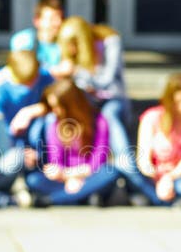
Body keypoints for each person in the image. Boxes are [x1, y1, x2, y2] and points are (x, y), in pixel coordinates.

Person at [54, 16, 134, 180]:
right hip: (87, 103)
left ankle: (130, 172)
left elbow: (107, 81)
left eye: (74, 44)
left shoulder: (110, 42)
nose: (71, 50)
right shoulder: (71, 54)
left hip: (112, 100)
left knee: (109, 117)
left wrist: (76, 71)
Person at [26, 78, 118, 206]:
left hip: (88, 176)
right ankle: (82, 196)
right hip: (65, 180)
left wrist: (70, 175)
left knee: (110, 172)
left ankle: (52, 200)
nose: (55, 111)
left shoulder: (99, 122)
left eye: (58, 107)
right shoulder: (55, 125)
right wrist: (67, 178)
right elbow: (56, 162)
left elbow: (98, 161)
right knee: (34, 180)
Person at [127, 73, 181, 208]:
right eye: (179, 102)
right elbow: (143, 159)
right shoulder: (152, 117)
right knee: (126, 168)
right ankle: (171, 200)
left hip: (176, 176)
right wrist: (156, 178)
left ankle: (157, 199)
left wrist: (169, 178)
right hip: (151, 174)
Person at [0, 48, 54, 147]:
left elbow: (59, 104)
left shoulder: (45, 76)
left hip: (39, 136)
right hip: (8, 140)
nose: (30, 86)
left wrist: (29, 112)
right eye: (24, 83)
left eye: (33, 79)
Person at [9, 0, 65, 75]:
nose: (58, 22)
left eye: (61, 17)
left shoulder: (66, 44)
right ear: (37, 21)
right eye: (52, 18)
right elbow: (23, 70)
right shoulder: (24, 40)